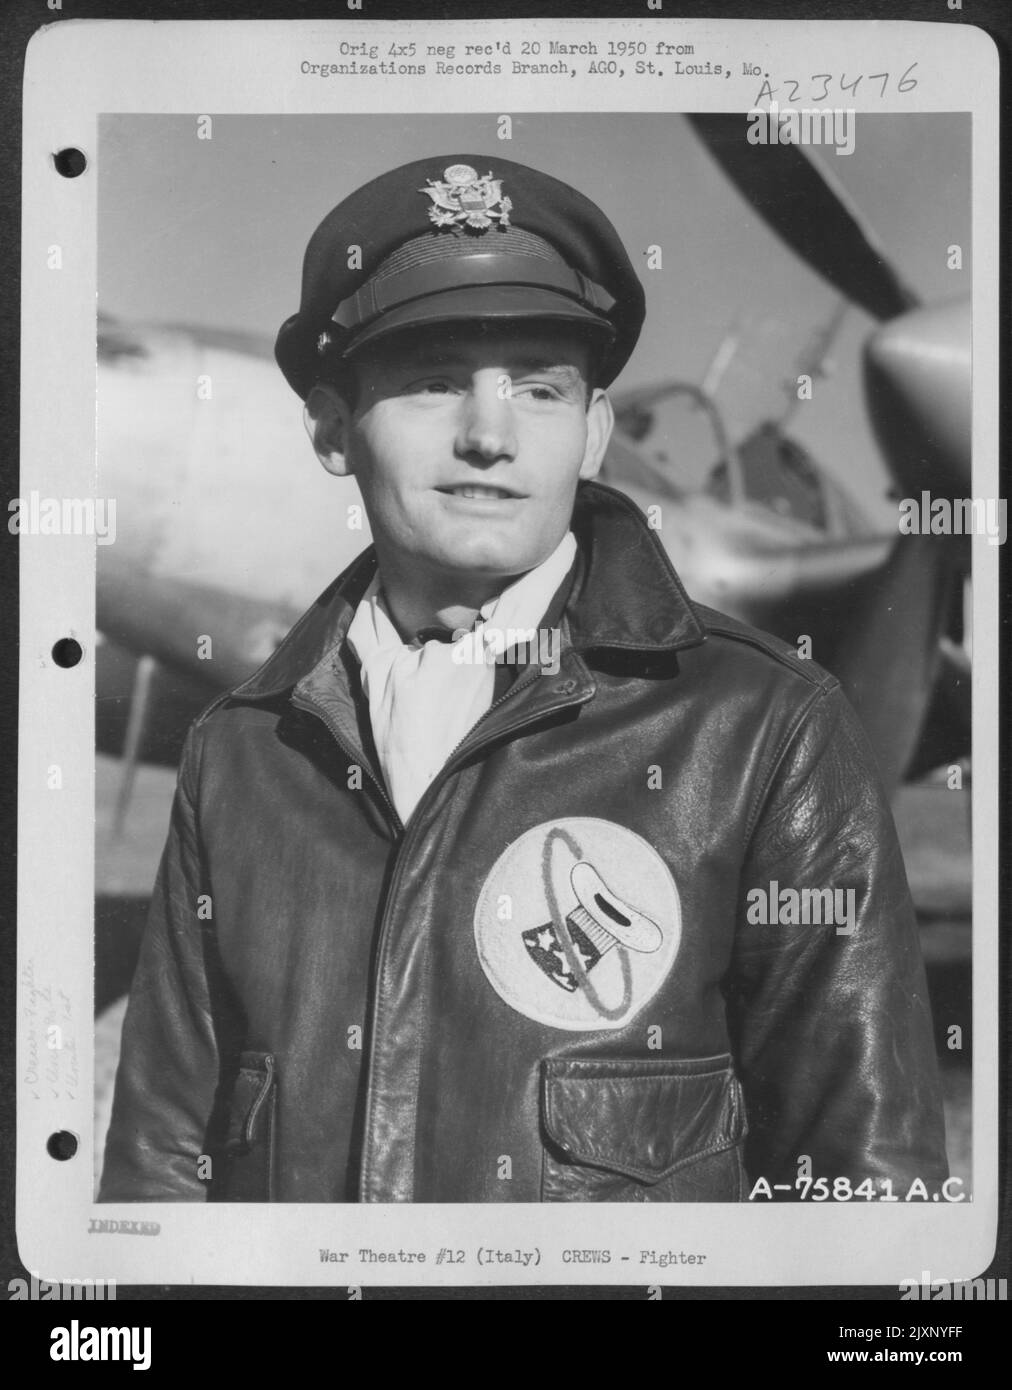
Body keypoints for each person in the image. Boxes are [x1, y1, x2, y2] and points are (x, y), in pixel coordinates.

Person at [100, 154, 947, 1203]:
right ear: (328, 427)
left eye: (541, 388)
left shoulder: (770, 722)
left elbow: (862, 1182)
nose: (489, 435)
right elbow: (157, 1165)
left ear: (593, 432)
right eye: (432, 379)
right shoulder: (235, 748)